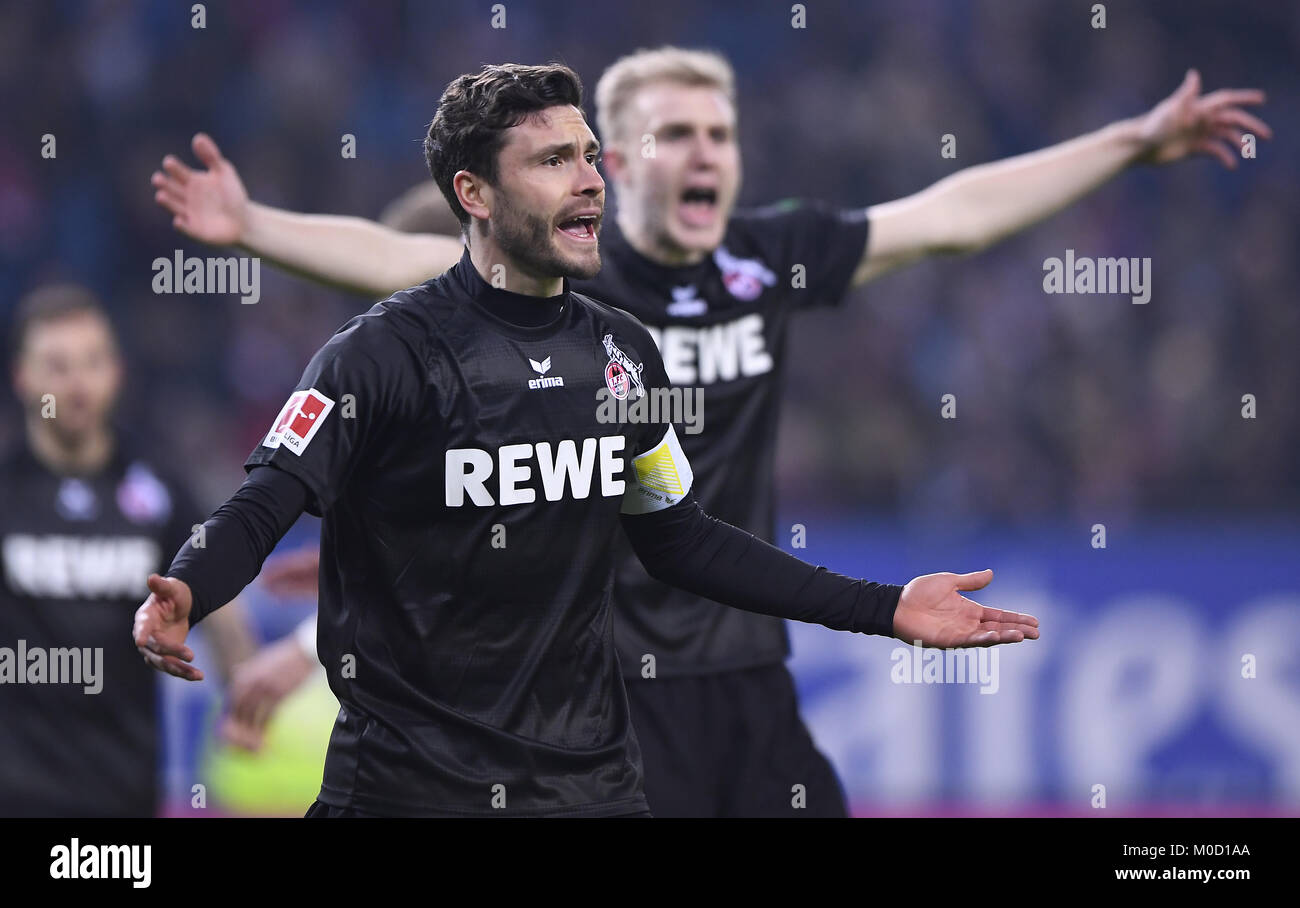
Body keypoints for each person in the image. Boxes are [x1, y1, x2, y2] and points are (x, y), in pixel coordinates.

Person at [166, 47, 1270, 816]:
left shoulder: (752, 265)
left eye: (722, 134)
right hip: (606, 686)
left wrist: (1130, 141)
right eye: (675, 134)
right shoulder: (539, 280)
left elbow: (953, 217)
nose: (705, 154)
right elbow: (391, 279)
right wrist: (251, 227)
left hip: (738, 668)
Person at [0, 283, 255, 817]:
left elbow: (222, 609)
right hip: (16, 791)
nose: (77, 384)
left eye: (92, 363)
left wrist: (246, 700)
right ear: (23, 377)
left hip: (123, 793)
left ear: (116, 371)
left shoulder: (159, 488)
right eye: (58, 366)